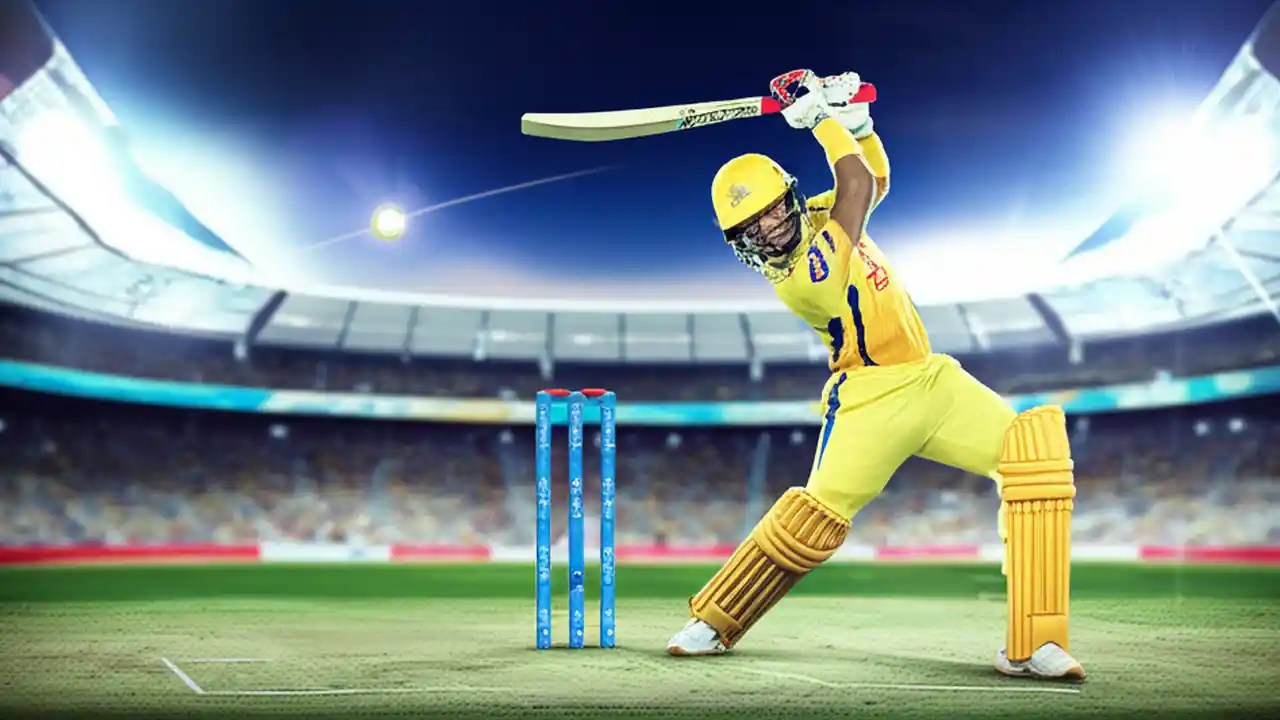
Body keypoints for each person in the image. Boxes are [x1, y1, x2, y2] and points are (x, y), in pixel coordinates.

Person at [664, 69, 1085, 681]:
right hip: (868, 398)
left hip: (934, 380)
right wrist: (816, 118)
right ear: (743, 242)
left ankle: (1033, 642)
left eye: (774, 210)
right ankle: (715, 620)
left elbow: (875, 177)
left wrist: (853, 119)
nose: (772, 227)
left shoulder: (816, 216)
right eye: (754, 227)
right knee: (813, 519)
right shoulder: (801, 279)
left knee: (1035, 456)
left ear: (788, 196)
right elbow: (855, 183)